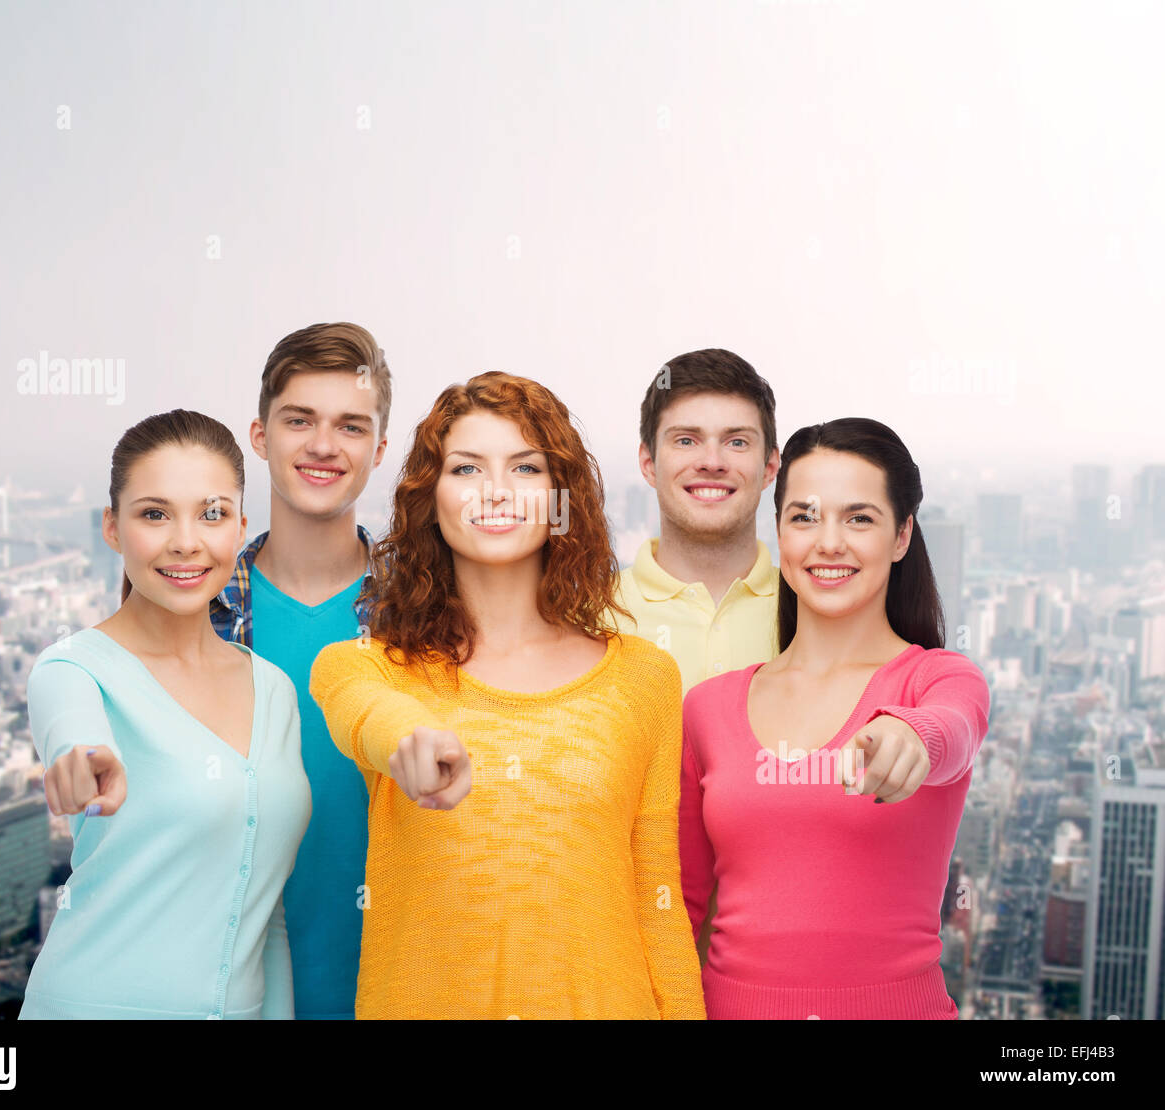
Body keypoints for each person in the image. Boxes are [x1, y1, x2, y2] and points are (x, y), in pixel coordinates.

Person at [310, 372, 705, 1019]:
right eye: (466, 469)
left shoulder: (645, 677)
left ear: (560, 497)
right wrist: (413, 739)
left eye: (524, 468)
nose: (495, 492)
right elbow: (371, 716)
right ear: (429, 499)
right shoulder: (368, 670)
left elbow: (655, 902)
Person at [679, 417, 990, 1019]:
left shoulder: (937, 681)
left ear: (901, 536)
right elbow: (679, 905)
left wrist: (912, 735)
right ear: (778, 532)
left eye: (859, 518)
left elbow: (953, 727)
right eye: (804, 516)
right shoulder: (707, 708)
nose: (828, 543)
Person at [21, 410, 310, 1020]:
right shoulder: (72, 671)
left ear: (239, 528)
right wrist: (85, 763)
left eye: (212, 514)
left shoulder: (276, 692)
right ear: (112, 527)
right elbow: (75, 737)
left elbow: (266, 911)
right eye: (155, 514)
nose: (186, 540)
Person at [208, 322, 389, 1020]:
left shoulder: (430, 613)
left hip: (403, 988)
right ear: (259, 436)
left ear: (377, 451)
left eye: (350, 426)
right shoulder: (197, 606)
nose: (322, 445)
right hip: (233, 997)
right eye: (299, 420)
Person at [611, 348, 781, 696]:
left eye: (737, 441)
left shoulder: (816, 611)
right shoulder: (585, 617)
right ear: (648, 464)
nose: (712, 461)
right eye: (686, 440)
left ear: (769, 468)